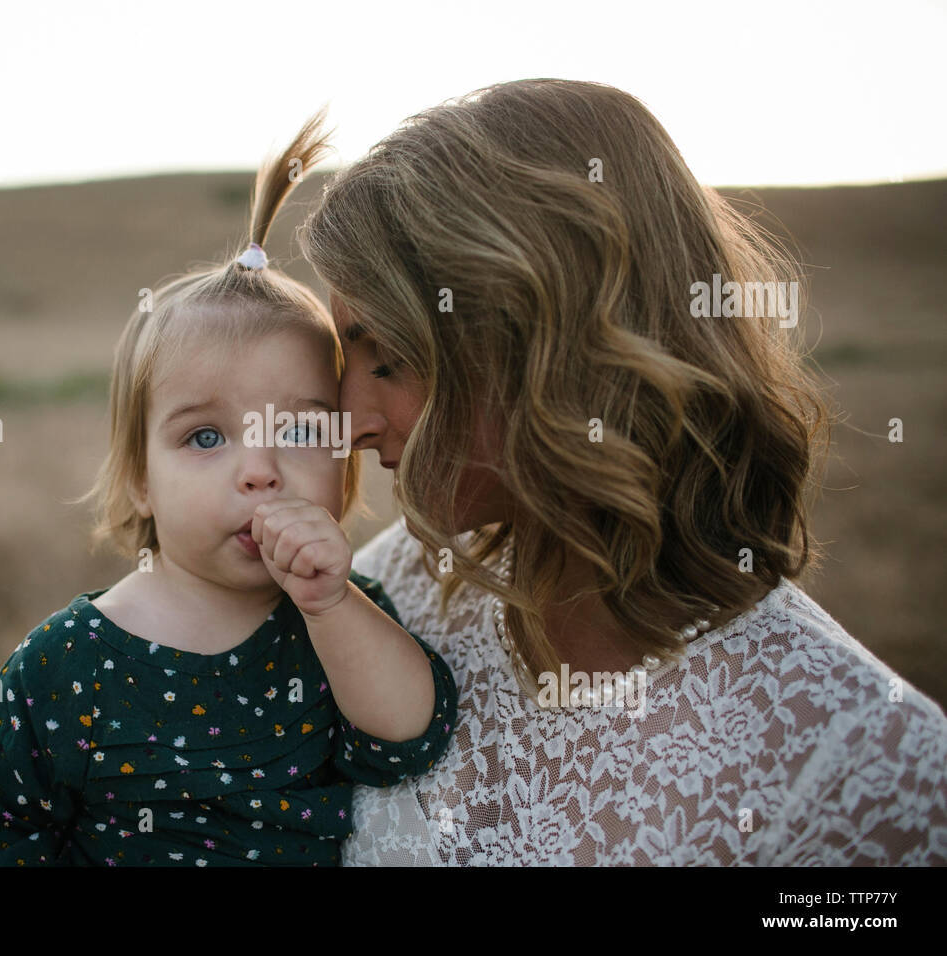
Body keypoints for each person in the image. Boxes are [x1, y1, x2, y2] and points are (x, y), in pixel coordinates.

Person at [296, 79, 947, 865]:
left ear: (553, 346)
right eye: (343, 362)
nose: (350, 420)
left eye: (390, 360)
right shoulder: (389, 593)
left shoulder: (870, 766)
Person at [0, 109, 457, 866]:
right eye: (205, 437)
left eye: (301, 431)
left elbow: (410, 739)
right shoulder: (66, 665)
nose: (259, 468)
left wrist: (330, 605)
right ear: (139, 480)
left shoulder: (338, 621)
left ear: (346, 469)